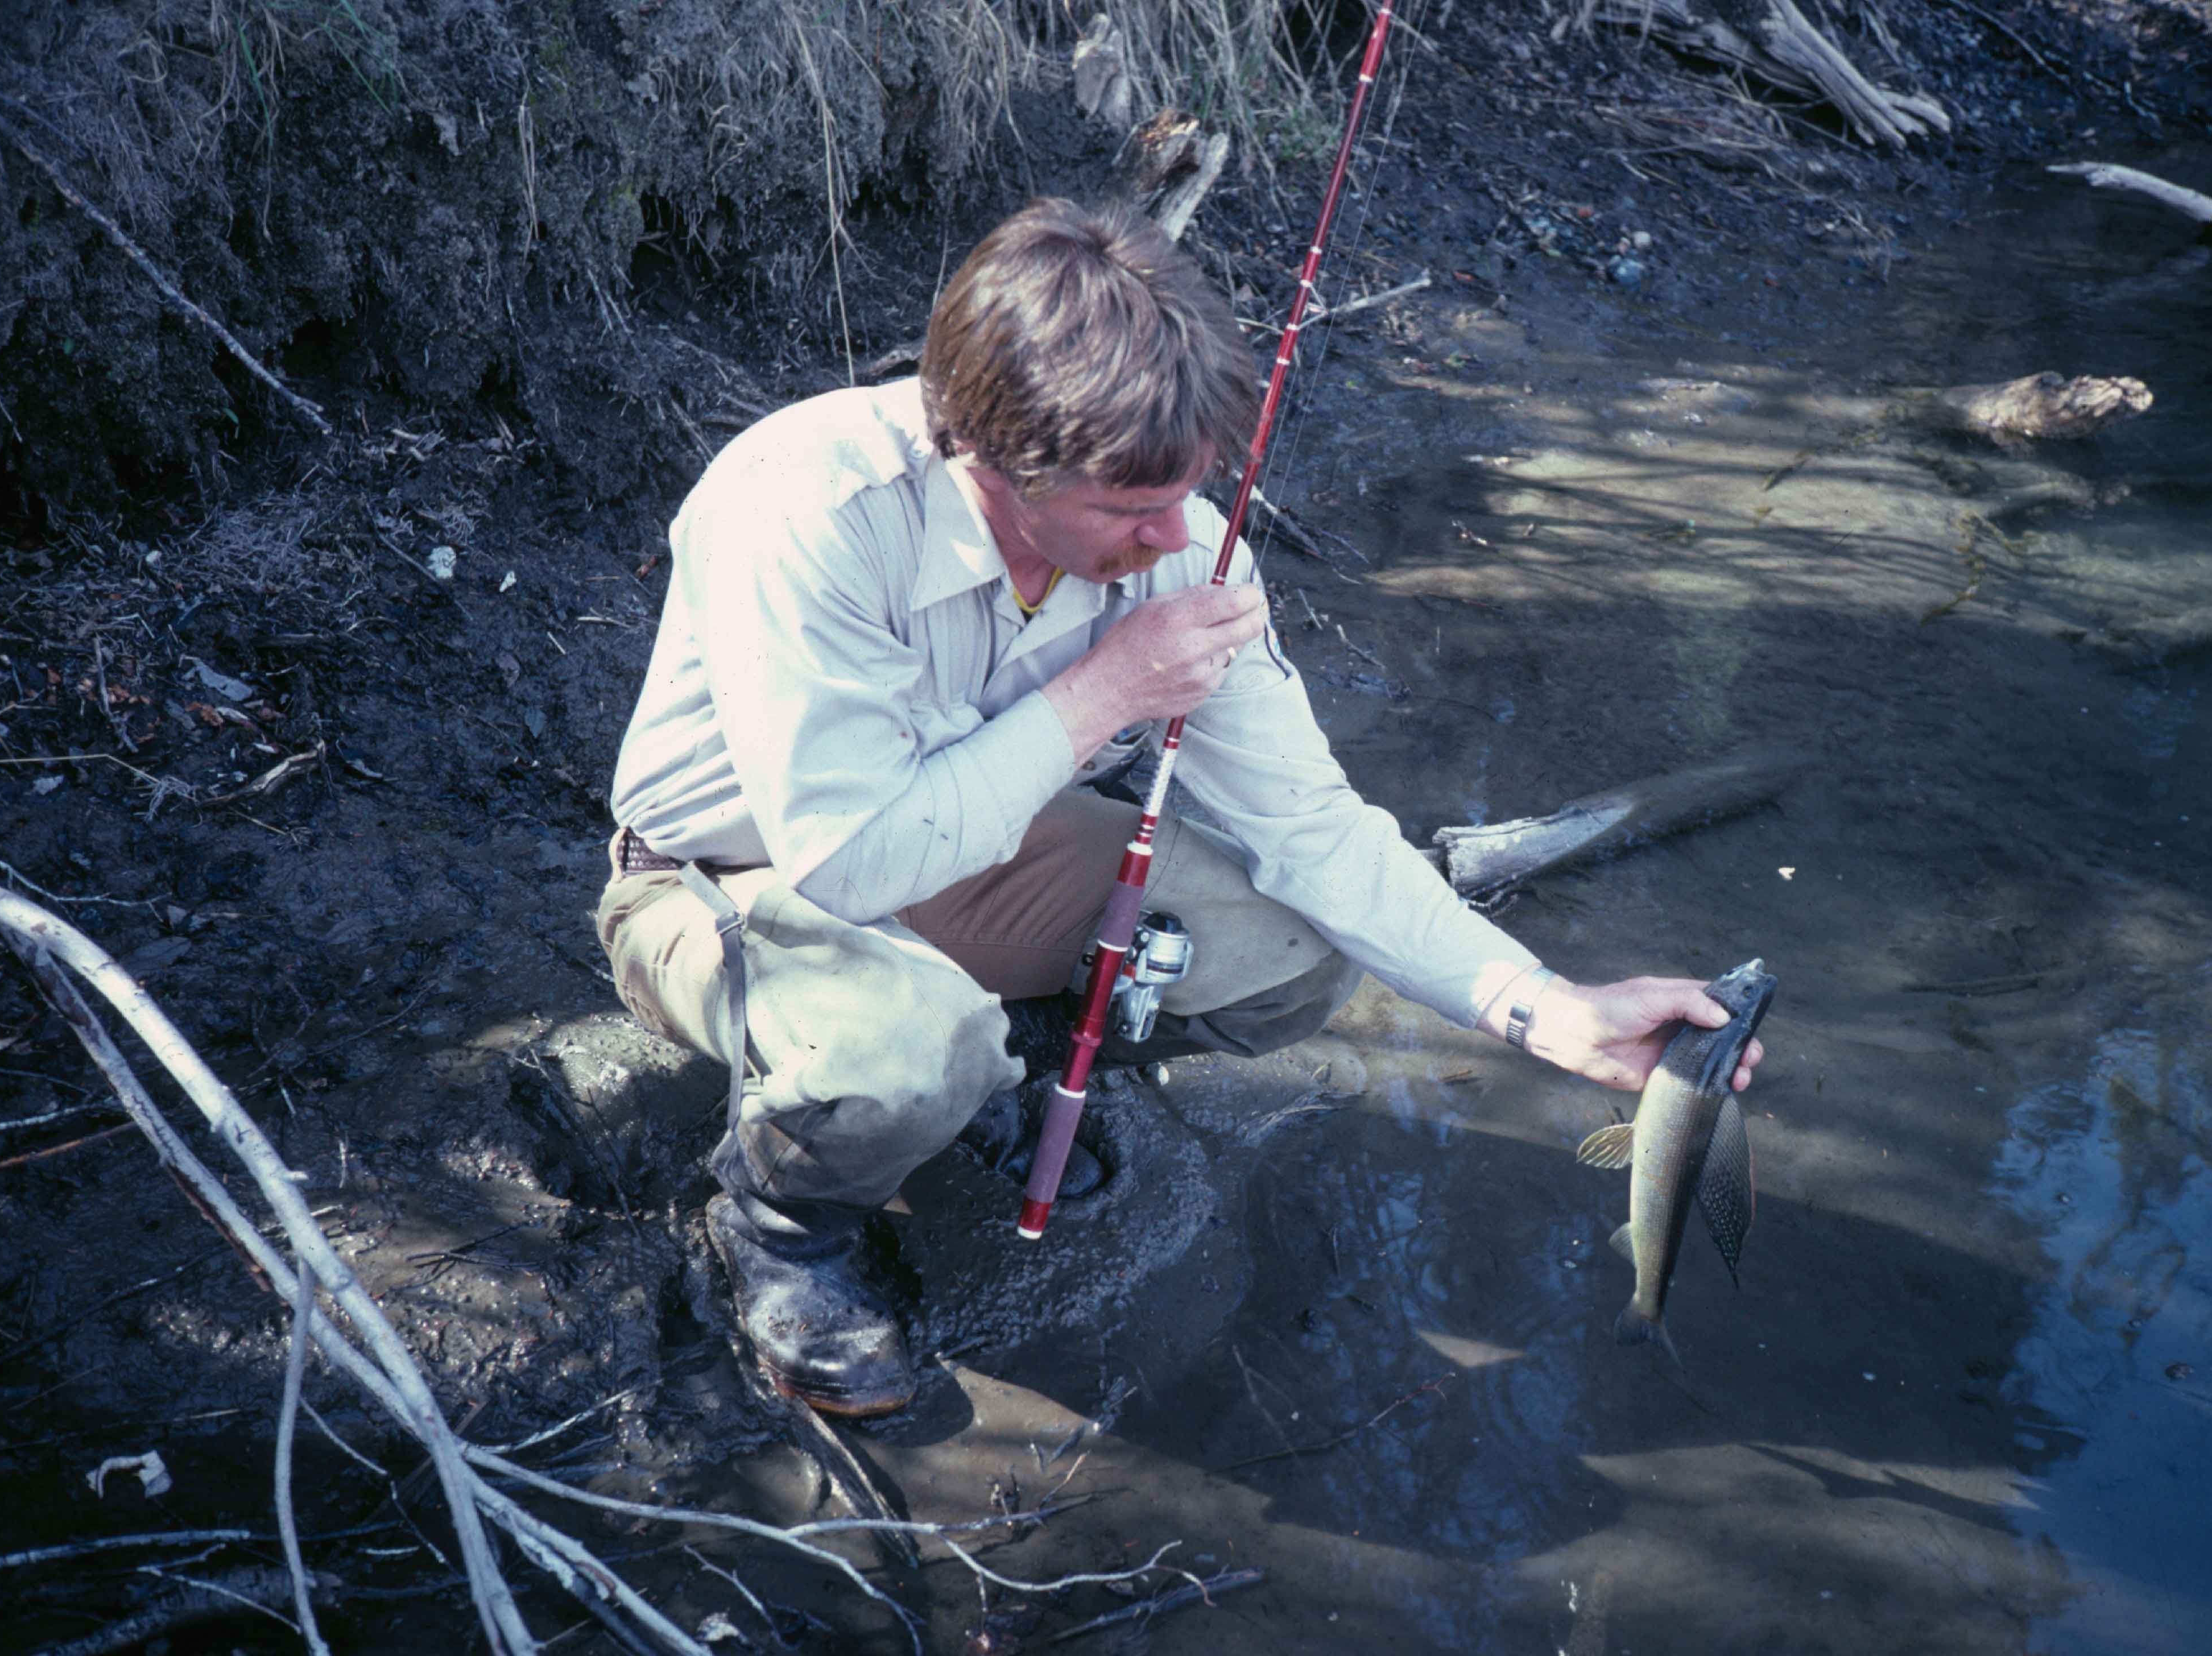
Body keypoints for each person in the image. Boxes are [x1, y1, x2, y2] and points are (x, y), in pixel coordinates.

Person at [597, 198, 1762, 1418]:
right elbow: (848, 862)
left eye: (1190, 492)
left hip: (974, 853)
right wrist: (1110, 689)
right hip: (724, 877)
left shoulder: (1180, 539)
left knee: (1295, 950)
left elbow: (1313, 830)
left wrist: (1549, 1010)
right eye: (1128, 510)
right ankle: (784, 1218)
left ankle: (996, 1065)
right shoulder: (804, 509)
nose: (1172, 539)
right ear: (989, 456)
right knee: (913, 1047)